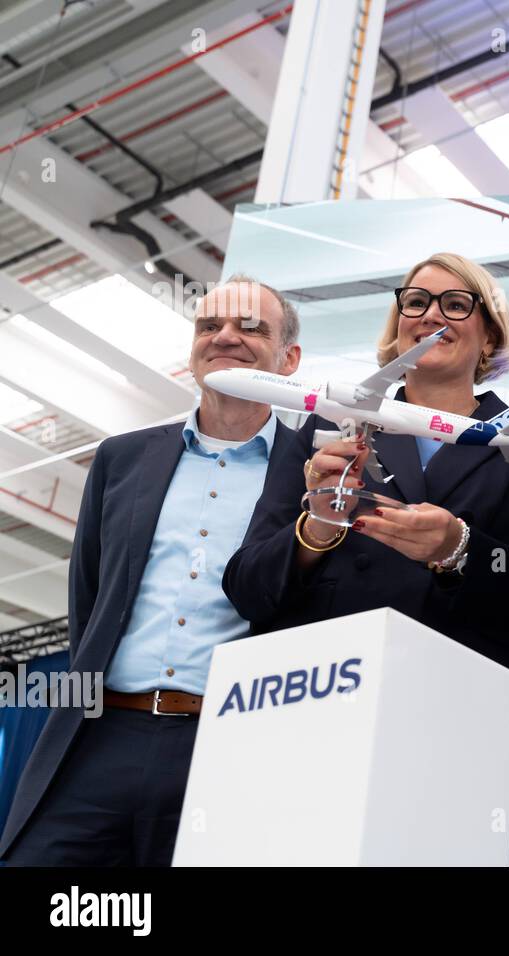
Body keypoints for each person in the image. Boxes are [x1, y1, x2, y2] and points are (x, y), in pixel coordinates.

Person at [223, 252, 509, 867]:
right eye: (414, 302)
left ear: (489, 330)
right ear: (396, 324)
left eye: (455, 303)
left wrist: (461, 551)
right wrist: (316, 527)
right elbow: (247, 587)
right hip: (332, 716)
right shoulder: (331, 427)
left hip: (475, 727)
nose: (431, 316)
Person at [1, 277, 302, 865]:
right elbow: (89, 598)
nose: (226, 338)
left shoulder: (314, 471)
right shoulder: (122, 457)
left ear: (288, 358)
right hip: (101, 737)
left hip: (229, 746)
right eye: (210, 325)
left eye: (251, 328)